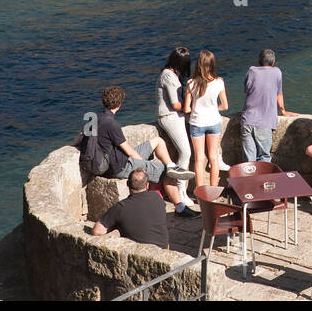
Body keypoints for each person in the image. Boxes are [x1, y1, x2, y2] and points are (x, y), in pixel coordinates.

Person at [93, 86, 184, 206]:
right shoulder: (112, 124)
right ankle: (180, 207)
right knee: (166, 171)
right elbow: (128, 151)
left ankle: (171, 165)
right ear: (119, 104)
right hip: (120, 167)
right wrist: (143, 164)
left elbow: (79, 138)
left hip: (113, 160)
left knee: (158, 141)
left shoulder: (94, 117)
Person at [156, 46, 197, 216]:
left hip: (177, 115)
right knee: (185, 152)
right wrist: (195, 104)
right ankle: (181, 192)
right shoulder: (168, 76)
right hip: (169, 116)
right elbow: (175, 104)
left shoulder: (174, 74)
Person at [240, 49, 296, 163]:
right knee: (264, 158)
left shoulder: (251, 70)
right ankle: (261, 181)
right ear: (273, 62)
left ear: (259, 61)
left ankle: (249, 180)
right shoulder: (277, 72)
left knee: (249, 162)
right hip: (264, 123)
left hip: (247, 120)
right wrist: (283, 111)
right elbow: (279, 94)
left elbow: (247, 90)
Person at [90, 169, 170, 248]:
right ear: (147, 185)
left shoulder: (121, 207)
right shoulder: (157, 197)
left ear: (127, 184)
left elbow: (97, 231)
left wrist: (115, 226)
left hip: (139, 255)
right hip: (163, 249)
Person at [185, 50, 228, 189]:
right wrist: (215, 108)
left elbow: (186, 108)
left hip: (197, 123)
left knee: (199, 159)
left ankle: (200, 192)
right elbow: (225, 106)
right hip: (214, 121)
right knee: (213, 158)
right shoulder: (219, 82)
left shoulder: (191, 83)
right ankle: (214, 191)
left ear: (198, 65)